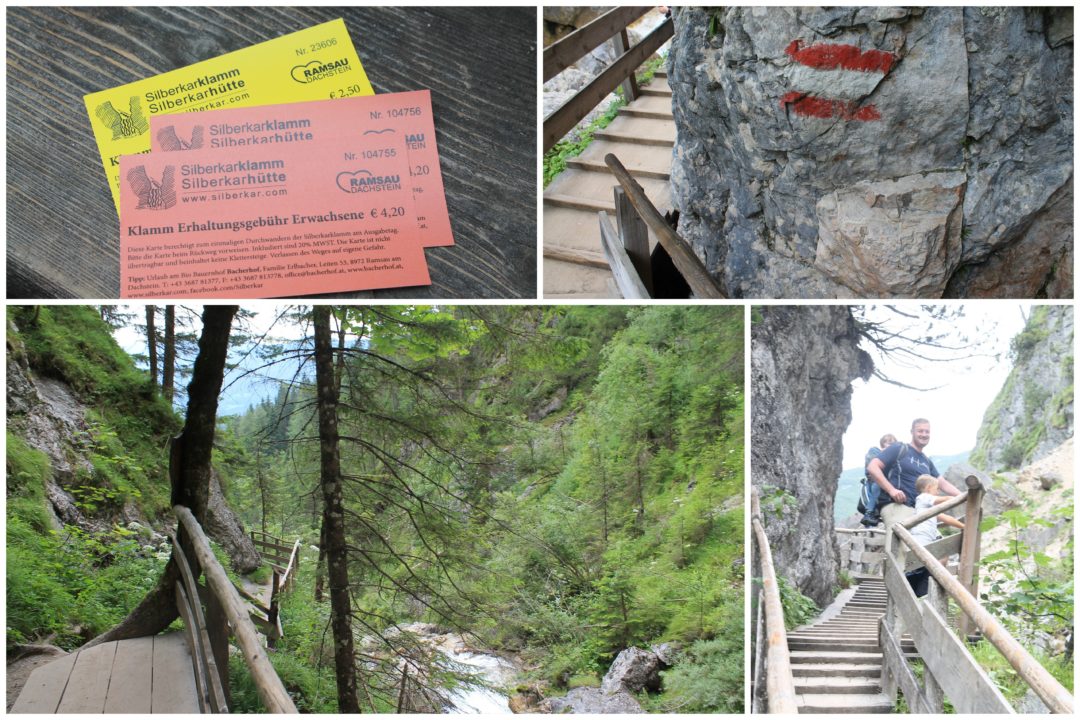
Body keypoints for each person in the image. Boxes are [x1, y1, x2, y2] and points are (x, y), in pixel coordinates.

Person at [866, 418, 961, 528]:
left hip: (918, 510)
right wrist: (892, 490)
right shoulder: (899, 448)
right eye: (920, 431)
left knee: (927, 538)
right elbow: (873, 467)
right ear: (912, 432)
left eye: (927, 431)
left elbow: (942, 483)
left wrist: (964, 495)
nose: (924, 434)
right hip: (897, 506)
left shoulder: (926, 461)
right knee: (901, 537)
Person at [906, 473, 965, 596]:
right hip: (921, 539)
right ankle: (917, 590)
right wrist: (960, 498)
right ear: (928, 488)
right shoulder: (922, 498)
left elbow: (947, 519)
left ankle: (930, 584)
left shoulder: (929, 510)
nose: (938, 492)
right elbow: (944, 499)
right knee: (920, 567)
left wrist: (964, 527)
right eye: (936, 489)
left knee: (939, 557)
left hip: (927, 539)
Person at [860, 433, 898, 527]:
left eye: (892, 443)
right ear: (882, 444)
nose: (889, 445)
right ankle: (869, 512)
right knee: (876, 486)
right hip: (874, 482)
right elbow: (871, 469)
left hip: (886, 484)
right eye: (887, 442)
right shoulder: (875, 451)